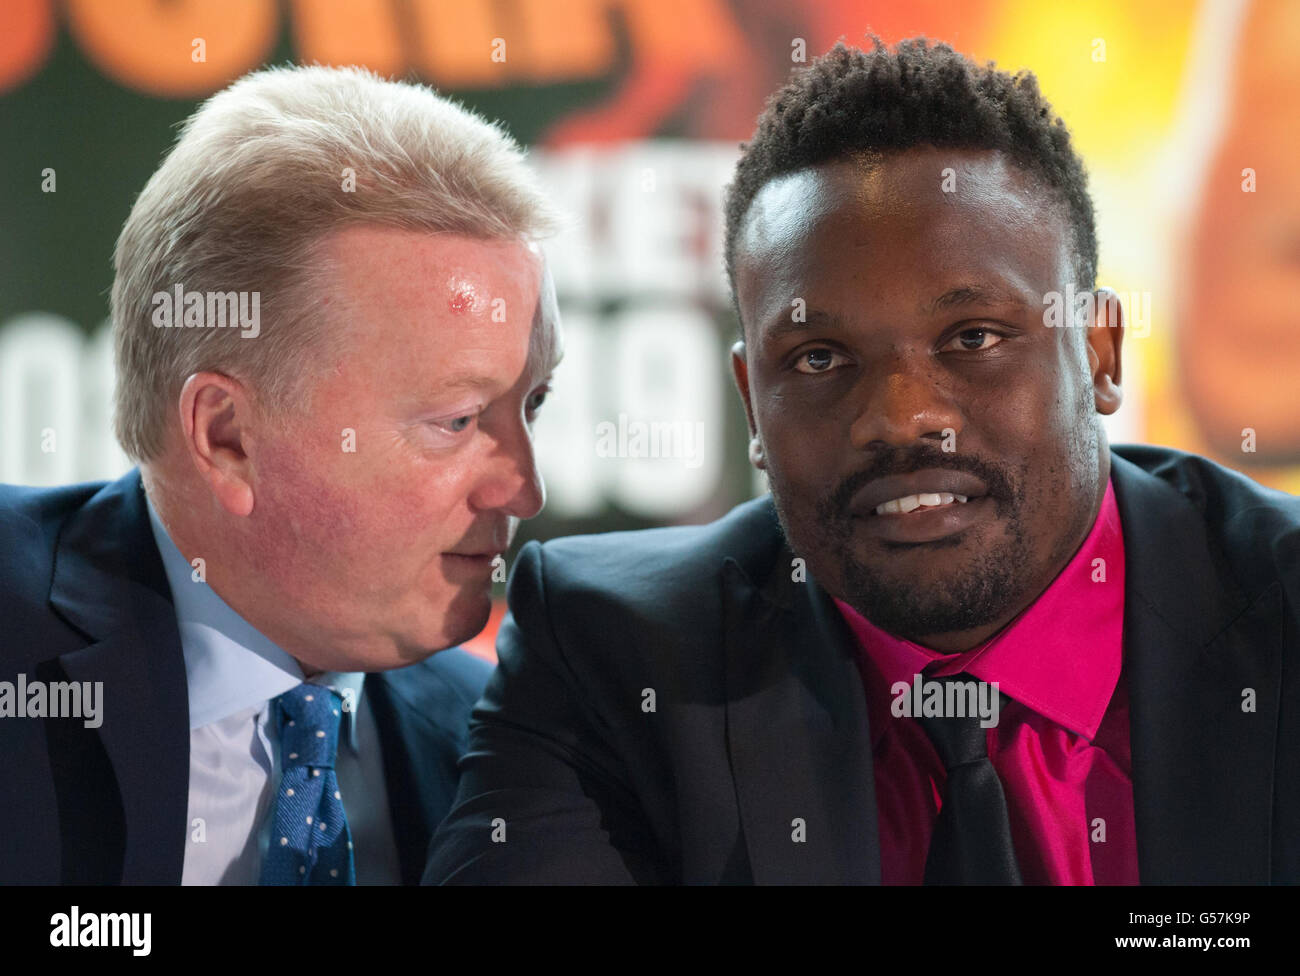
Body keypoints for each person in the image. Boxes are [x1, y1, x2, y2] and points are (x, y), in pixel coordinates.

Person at [425, 37, 1300, 884]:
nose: (901, 417)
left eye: (973, 337)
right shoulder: (615, 656)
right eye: (818, 358)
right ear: (751, 404)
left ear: (1101, 353)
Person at [0, 64, 562, 884]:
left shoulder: (501, 749)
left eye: (533, 404)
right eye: (459, 420)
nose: (524, 490)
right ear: (227, 436)